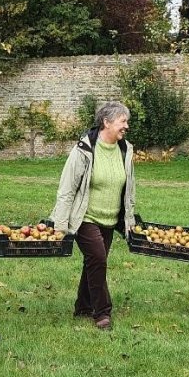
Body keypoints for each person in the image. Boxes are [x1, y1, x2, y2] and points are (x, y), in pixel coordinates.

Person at [51, 101, 136, 330]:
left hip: (110, 219)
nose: (126, 126)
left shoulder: (125, 150)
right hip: (85, 217)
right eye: (123, 121)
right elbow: (67, 188)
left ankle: (83, 306)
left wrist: (130, 220)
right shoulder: (84, 149)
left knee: (94, 262)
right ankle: (102, 312)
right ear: (106, 122)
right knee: (98, 259)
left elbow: (129, 190)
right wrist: (60, 224)